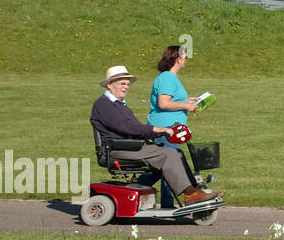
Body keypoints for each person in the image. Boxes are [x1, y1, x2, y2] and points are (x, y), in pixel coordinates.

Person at [90, 65, 222, 206]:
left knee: (176, 152)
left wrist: (156, 132)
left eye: (128, 84)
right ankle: (190, 194)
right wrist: (158, 129)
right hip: (118, 149)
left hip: (129, 147)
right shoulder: (104, 105)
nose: (126, 87)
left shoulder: (119, 104)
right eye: (122, 83)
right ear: (109, 85)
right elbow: (128, 128)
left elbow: (132, 128)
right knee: (169, 154)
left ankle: (195, 190)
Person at [146, 45, 199, 206]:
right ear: (178, 59)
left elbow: (170, 99)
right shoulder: (167, 78)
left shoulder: (170, 77)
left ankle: (135, 190)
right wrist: (186, 106)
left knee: (159, 169)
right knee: (169, 166)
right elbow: (163, 103)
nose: (186, 60)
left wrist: (187, 101)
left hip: (171, 129)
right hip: (165, 130)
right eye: (184, 57)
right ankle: (167, 204)